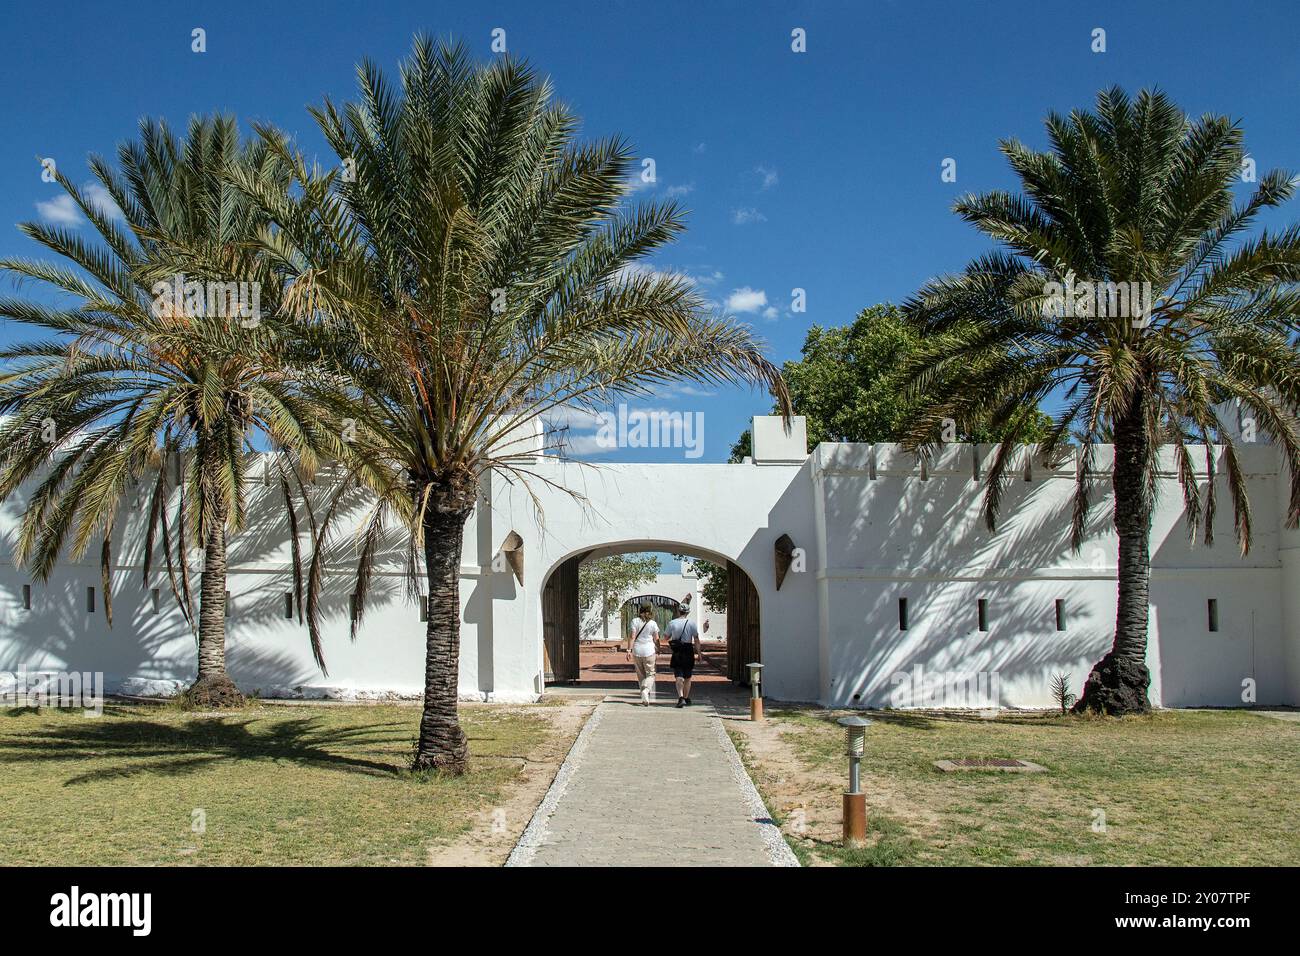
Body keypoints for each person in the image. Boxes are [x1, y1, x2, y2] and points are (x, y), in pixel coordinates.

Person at [665, 602, 701, 707]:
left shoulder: (672, 623)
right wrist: (699, 653)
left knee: (678, 675)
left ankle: (680, 697)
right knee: (688, 676)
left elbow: (666, 637)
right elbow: (696, 639)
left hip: (677, 650)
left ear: (678, 611)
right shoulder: (692, 623)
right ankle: (686, 697)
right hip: (688, 649)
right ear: (688, 612)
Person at [624, 604, 660, 706]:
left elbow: (632, 636)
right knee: (651, 673)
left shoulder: (635, 621)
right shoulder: (653, 623)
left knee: (640, 674)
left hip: (637, 651)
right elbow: (656, 638)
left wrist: (628, 650)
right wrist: (659, 648)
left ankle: (644, 696)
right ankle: (646, 690)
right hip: (649, 650)